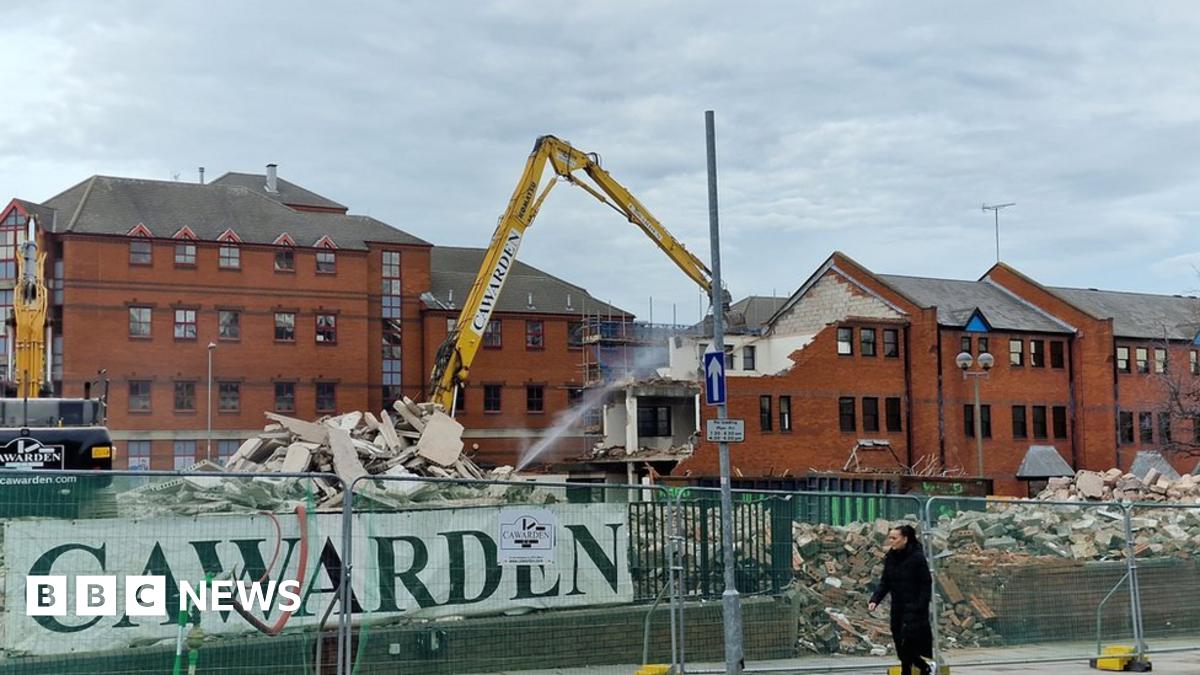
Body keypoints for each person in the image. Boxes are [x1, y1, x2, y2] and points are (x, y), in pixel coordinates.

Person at [868, 523, 933, 675]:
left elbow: (926, 584)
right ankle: (923, 667)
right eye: (890, 538)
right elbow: (885, 582)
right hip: (898, 606)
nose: (891, 541)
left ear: (905, 539)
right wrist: (875, 600)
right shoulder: (891, 557)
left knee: (908, 642)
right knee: (899, 642)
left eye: (894, 538)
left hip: (914, 608)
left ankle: (909, 671)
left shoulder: (917, 557)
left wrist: (920, 606)